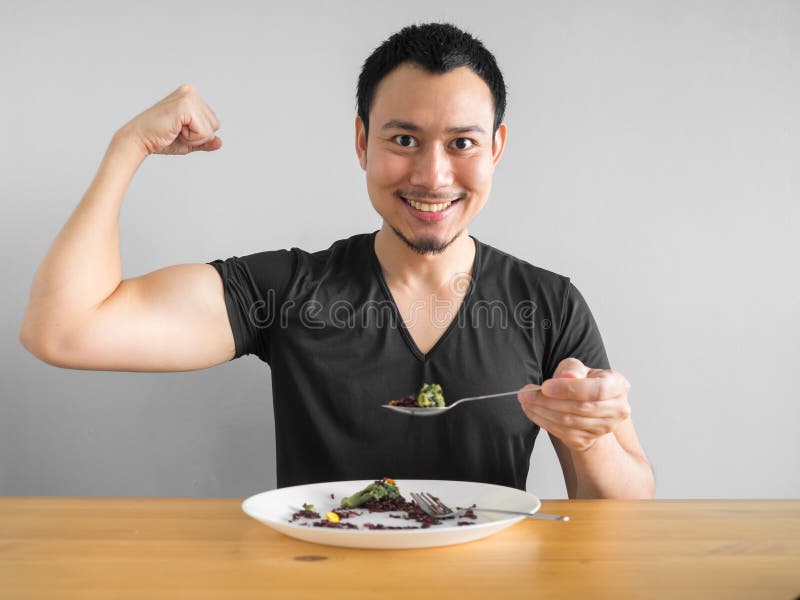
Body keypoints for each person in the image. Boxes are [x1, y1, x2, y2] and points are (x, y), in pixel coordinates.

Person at [19, 23, 654, 498]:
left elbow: (626, 509)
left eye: (461, 143)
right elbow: (63, 329)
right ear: (362, 142)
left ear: (496, 148)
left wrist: (591, 434)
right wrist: (127, 147)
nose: (433, 176)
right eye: (403, 140)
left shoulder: (547, 304)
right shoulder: (286, 291)